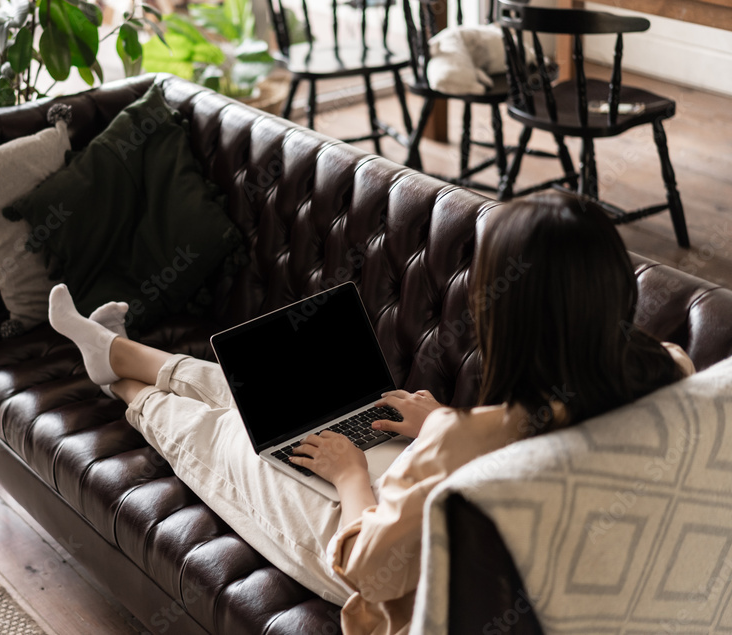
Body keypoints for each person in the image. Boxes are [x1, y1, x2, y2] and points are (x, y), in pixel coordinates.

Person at [48, 190, 694, 635]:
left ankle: (122, 387)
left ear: (509, 312)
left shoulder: (469, 441)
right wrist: (440, 420)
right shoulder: (669, 368)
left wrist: (351, 473)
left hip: (388, 574)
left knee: (233, 436)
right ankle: (116, 350)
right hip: (439, 511)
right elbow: (537, 432)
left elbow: (365, 565)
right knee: (279, 401)